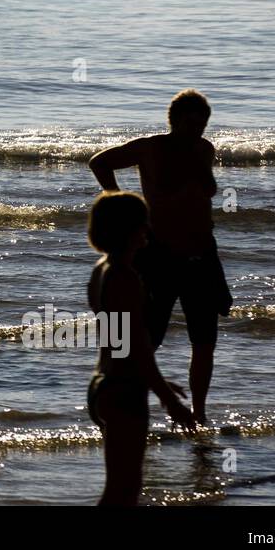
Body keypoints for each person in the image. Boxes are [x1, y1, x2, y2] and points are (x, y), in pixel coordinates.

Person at [87, 89, 231, 424]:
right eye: (191, 124)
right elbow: (100, 162)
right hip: (160, 254)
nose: (197, 130)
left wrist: (198, 162)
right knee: (146, 336)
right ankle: (122, 395)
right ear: (175, 121)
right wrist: (121, 204)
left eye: (203, 125)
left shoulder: (204, 149)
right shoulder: (150, 147)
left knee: (205, 338)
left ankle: (198, 413)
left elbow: (207, 189)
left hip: (202, 253)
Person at [86, 190, 196, 505]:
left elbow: (119, 341)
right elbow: (136, 346)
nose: (148, 228)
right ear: (128, 229)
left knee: (118, 489)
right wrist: (167, 399)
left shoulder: (101, 270)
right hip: (124, 390)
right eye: (142, 222)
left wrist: (156, 382)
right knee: (125, 491)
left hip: (103, 385)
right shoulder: (125, 278)